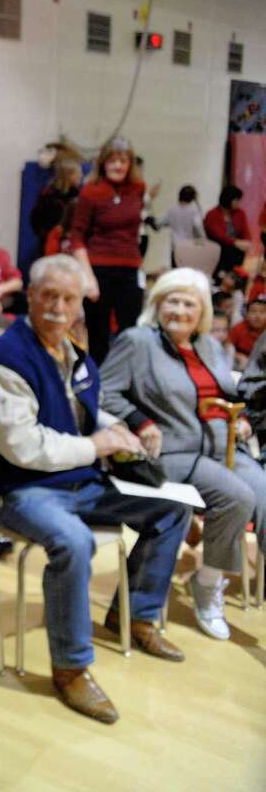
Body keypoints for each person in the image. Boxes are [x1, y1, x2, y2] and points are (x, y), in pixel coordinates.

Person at [0, 254, 189, 724]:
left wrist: (122, 430)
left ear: (79, 304)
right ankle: (71, 668)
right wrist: (96, 445)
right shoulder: (2, 361)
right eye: (49, 296)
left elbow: (82, 409)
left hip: (75, 480)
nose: (58, 308)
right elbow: (22, 447)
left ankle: (136, 615)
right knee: (73, 541)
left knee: (172, 511)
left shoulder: (73, 351)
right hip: (17, 488)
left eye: (69, 299)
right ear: (30, 296)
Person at [101, 268, 266, 641]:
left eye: (189, 303)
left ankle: (237, 578)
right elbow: (104, 392)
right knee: (237, 497)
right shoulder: (138, 342)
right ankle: (208, 585)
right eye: (171, 301)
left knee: (264, 493)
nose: (179, 310)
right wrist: (140, 421)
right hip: (172, 449)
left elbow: (230, 392)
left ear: (202, 310)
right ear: (157, 304)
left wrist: (242, 420)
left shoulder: (207, 345)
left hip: (224, 444)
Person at [69, 136, 147, 365]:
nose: (118, 166)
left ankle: (126, 377)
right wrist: (88, 278)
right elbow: (77, 237)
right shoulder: (91, 192)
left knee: (130, 331)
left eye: (123, 161)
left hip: (130, 269)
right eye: (112, 161)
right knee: (98, 335)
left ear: (130, 163)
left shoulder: (138, 188)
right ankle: (97, 380)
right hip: (98, 269)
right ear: (103, 163)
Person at [30, 159, 81, 253]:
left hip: (70, 241)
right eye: (77, 173)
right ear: (67, 175)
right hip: (51, 241)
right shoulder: (49, 195)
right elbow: (36, 219)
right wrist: (45, 234)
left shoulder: (78, 195)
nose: (80, 176)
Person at [204, 185, 255, 275]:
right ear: (228, 199)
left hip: (236, 250)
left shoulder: (240, 213)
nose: (238, 203)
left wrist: (248, 242)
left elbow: (245, 231)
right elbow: (218, 235)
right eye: (236, 200)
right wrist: (235, 242)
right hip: (219, 249)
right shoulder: (212, 214)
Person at [230, 295, 266, 368]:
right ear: (247, 315)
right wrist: (238, 355)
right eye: (253, 311)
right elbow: (225, 348)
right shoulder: (238, 328)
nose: (257, 316)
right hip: (242, 365)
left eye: (262, 312)